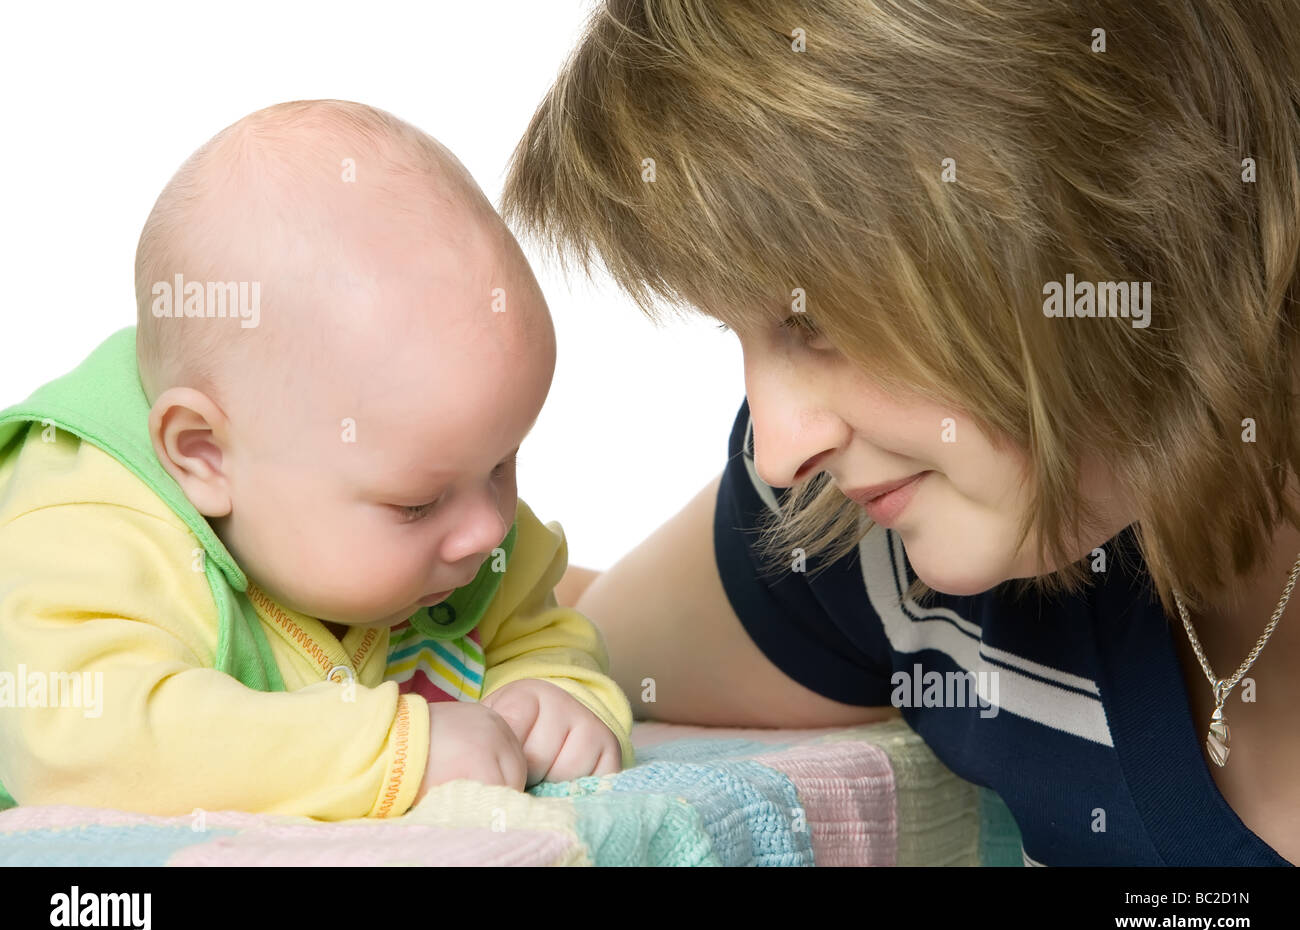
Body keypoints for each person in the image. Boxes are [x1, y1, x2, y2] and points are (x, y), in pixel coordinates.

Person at [502, 0, 1300, 864]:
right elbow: (541, 634)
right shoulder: (876, 545)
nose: (779, 450)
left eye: (809, 322)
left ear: (1093, 197)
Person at [0, 100, 633, 822]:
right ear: (204, 455)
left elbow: (536, 628)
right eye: (417, 504)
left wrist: (556, 698)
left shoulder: (444, 511)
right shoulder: (83, 536)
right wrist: (392, 753)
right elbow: (89, 744)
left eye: (501, 464)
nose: (489, 530)